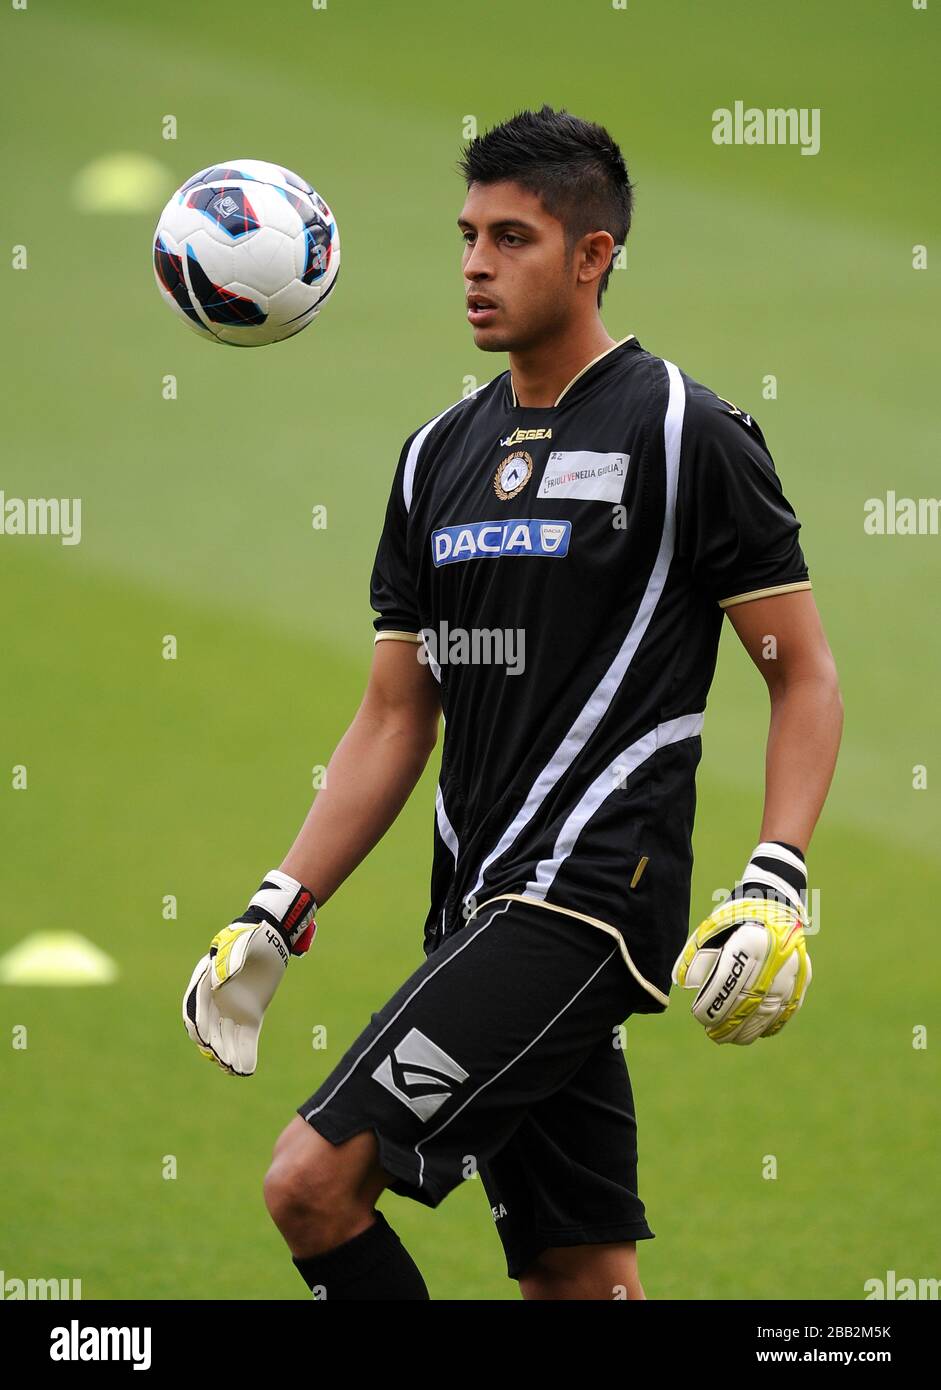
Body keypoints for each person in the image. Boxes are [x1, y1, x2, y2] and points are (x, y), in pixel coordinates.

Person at [183, 105, 843, 1300]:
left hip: (588, 905)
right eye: (466, 236)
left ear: (591, 255)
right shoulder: (435, 454)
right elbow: (395, 713)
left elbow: (798, 670)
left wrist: (775, 874)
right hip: (478, 908)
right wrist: (279, 903)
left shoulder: (684, 430)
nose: (475, 267)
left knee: (309, 1183)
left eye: (511, 238)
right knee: (579, 1281)